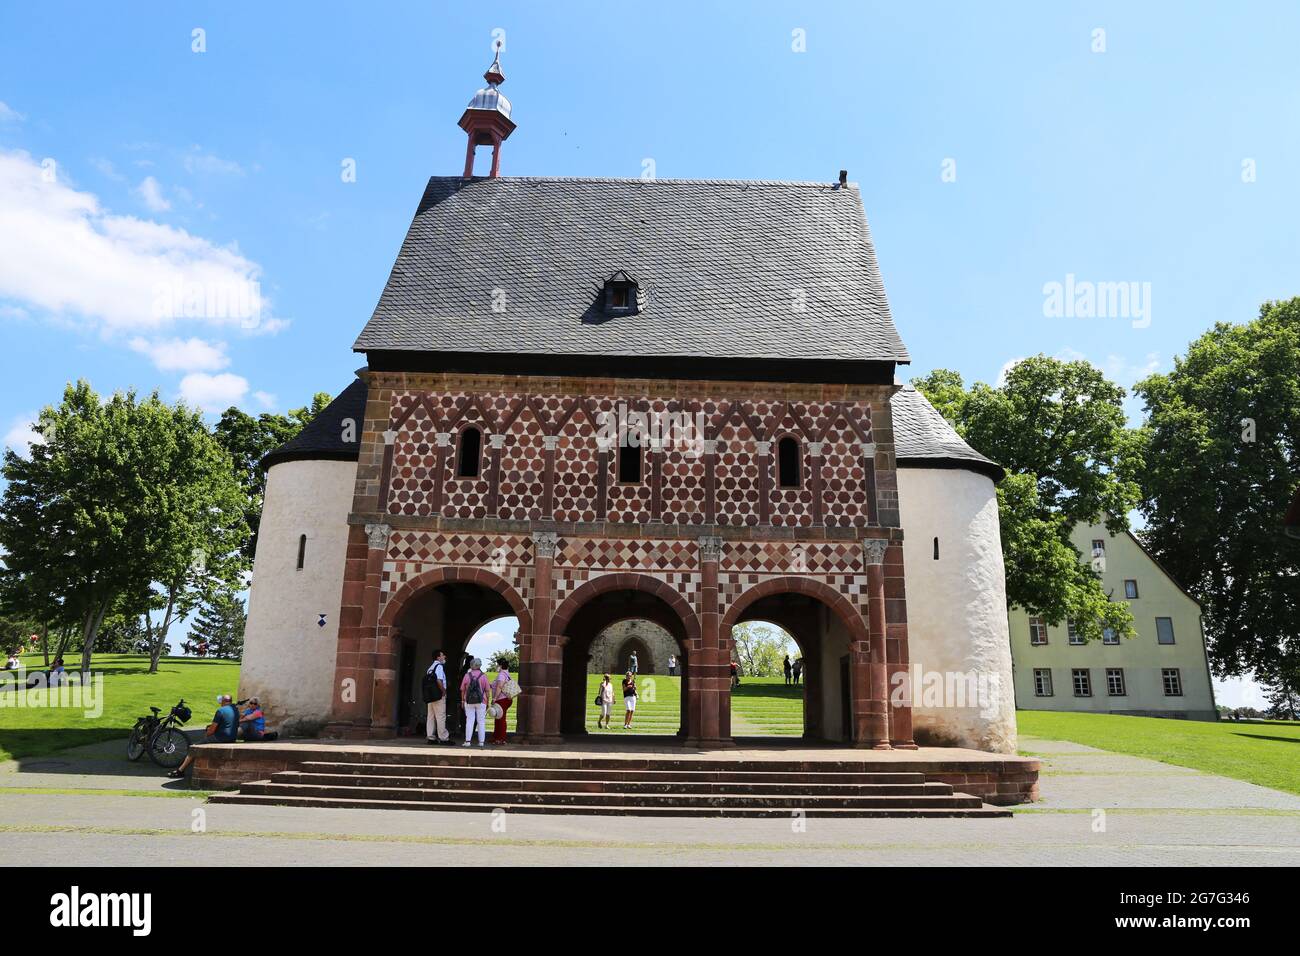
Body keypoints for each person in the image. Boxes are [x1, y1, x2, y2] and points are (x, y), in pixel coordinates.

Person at [168, 694, 240, 778]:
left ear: (223, 701)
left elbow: (212, 730)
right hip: (232, 738)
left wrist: (206, 735)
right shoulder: (235, 710)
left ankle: (180, 771)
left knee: (194, 747)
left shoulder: (220, 711)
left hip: (221, 737)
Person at [461, 657, 490, 748]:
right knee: (481, 721)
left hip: (469, 701)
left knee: (469, 721)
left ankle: (468, 741)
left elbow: (462, 689)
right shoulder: (484, 676)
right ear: (479, 665)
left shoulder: (467, 675)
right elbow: (487, 690)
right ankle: (481, 742)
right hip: (481, 701)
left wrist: (462, 700)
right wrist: (487, 702)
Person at [423, 650, 449, 744]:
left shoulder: (430, 667)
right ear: (438, 657)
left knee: (431, 716)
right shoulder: (439, 666)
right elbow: (439, 680)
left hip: (430, 695)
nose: (444, 656)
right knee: (441, 716)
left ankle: (431, 737)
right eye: (442, 655)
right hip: (438, 695)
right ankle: (443, 738)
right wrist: (443, 691)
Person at [490, 664, 514, 745]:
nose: (496, 666)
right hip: (505, 699)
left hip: (501, 699)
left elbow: (499, 686)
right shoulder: (507, 674)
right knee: (499, 719)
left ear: (500, 665)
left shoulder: (501, 675)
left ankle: (501, 739)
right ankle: (497, 737)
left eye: (497, 665)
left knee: (500, 720)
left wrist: (494, 698)